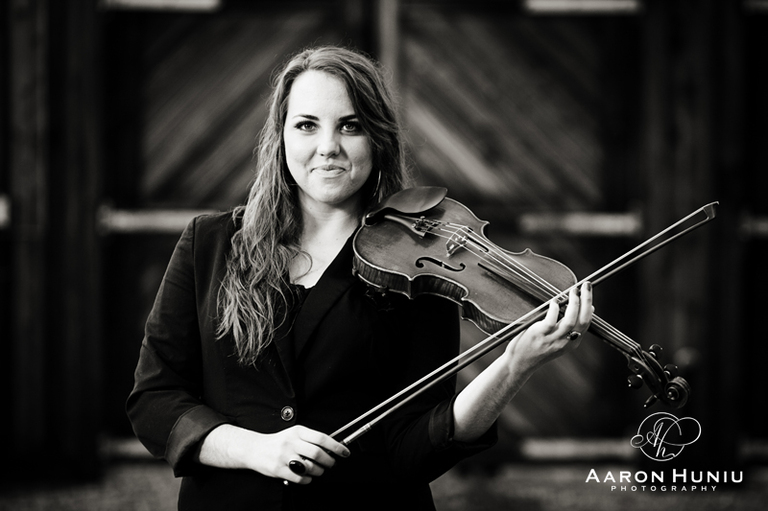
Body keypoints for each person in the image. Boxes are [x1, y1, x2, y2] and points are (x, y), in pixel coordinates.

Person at [126, 46, 593, 511]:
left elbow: (416, 449)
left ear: (378, 139)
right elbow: (155, 400)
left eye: (350, 126)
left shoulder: (416, 265)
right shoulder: (209, 244)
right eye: (307, 125)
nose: (328, 146)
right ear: (281, 135)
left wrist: (513, 367)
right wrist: (257, 449)